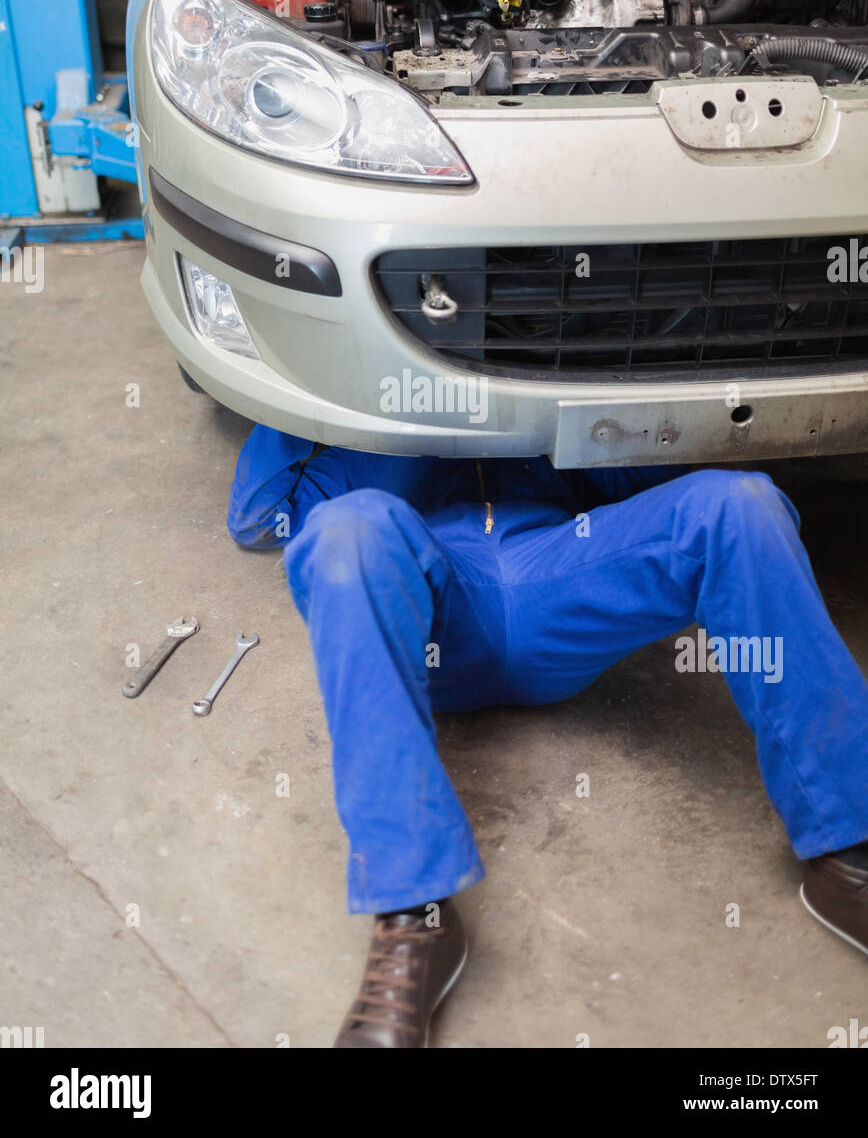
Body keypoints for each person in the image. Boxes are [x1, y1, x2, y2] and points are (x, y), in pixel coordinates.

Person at [228, 425, 868, 1048]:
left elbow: (657, 471)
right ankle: (412, 919)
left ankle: (851, 852)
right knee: (345, 530)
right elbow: (260, 516)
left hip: (559, 575)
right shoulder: (371, 425)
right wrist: (380, 405)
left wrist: (572, 396)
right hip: (432, 603)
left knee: (738, 504)